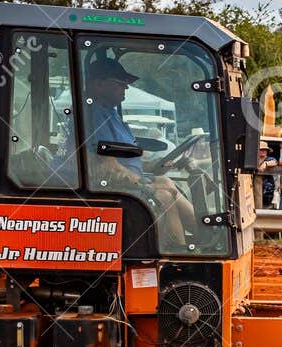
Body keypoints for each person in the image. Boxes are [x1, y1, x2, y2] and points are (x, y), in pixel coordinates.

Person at [82, 57, 198, 236]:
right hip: (99, 188)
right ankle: (179, 250)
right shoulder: (94, 115)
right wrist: (143, 184)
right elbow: (107, 166)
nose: (126, 88)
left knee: (166, 182)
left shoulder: (110, 114)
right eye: (119, 83)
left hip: (116, 184)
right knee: (163, 196)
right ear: (98, 84)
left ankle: (206, 235)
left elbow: (123, 158)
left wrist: (153, 166)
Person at [257, 143, 277, 209]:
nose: (263, 151)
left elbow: (275, 162)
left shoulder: (270, 159)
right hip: (255, 189)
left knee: (266, 209)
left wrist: (265, 163)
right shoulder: (253, 160)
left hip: (268, 191)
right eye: (261, 149)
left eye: (265, 150)